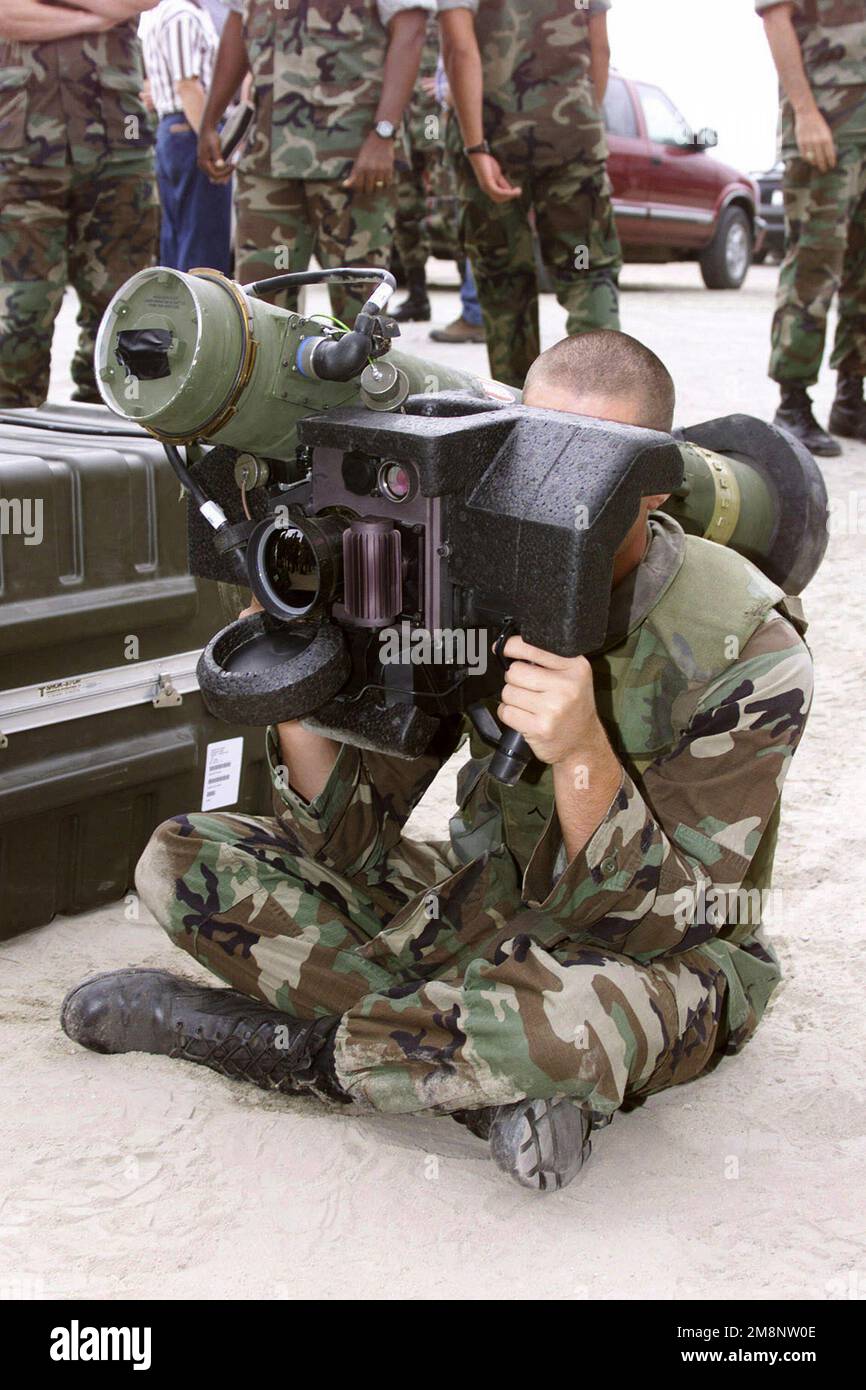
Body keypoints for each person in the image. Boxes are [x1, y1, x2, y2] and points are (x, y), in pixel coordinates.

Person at [61, 331, 814, 1195]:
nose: (548, 490)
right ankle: (479, 1087)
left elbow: (666, 924)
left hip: (660, 958)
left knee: (560, 1028)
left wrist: (580, 755)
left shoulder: (747, 647)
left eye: (588, 467)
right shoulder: (467, 572)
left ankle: (275, 1046)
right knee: (184, 860)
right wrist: (311, 659)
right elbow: (341, 844)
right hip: (480, 904)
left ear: (653, 486)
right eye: (531, 451)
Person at [195, 0, 435, 327]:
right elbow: (238, 24)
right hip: (268, 159)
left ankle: (357, 379)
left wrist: (384, 133)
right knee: (260, 312)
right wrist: (211, 120)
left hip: (353, 158)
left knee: (360, 316)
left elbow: (410, 30)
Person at [437, 0, 622, 389]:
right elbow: (600, 46)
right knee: (587, 274)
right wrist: (580, 122)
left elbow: (460, 47)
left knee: (505, 281)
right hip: (573, 135)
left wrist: (476, 146)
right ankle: (601, 412)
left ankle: (521, 412)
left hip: (494, 136)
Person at [0, 0, 159, 407]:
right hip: (20, 154)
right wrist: (97, 15)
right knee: (21, 312)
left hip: (119, 147)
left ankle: (114, 446)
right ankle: (14, 446)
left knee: (126, 309)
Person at [757, 1, 866, 455]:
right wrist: (804, 111)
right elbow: (774, 14)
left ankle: (851, 396)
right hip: (829, 120)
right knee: (814, 262)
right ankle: (793, 403)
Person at [140, 0, 231, 274]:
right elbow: (187, 85)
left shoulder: (165, 12)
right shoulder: (182, 15)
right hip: (189, 128)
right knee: (202, 242)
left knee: (179, 236)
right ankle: (202, 313)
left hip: (176, 129)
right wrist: (209, 133)